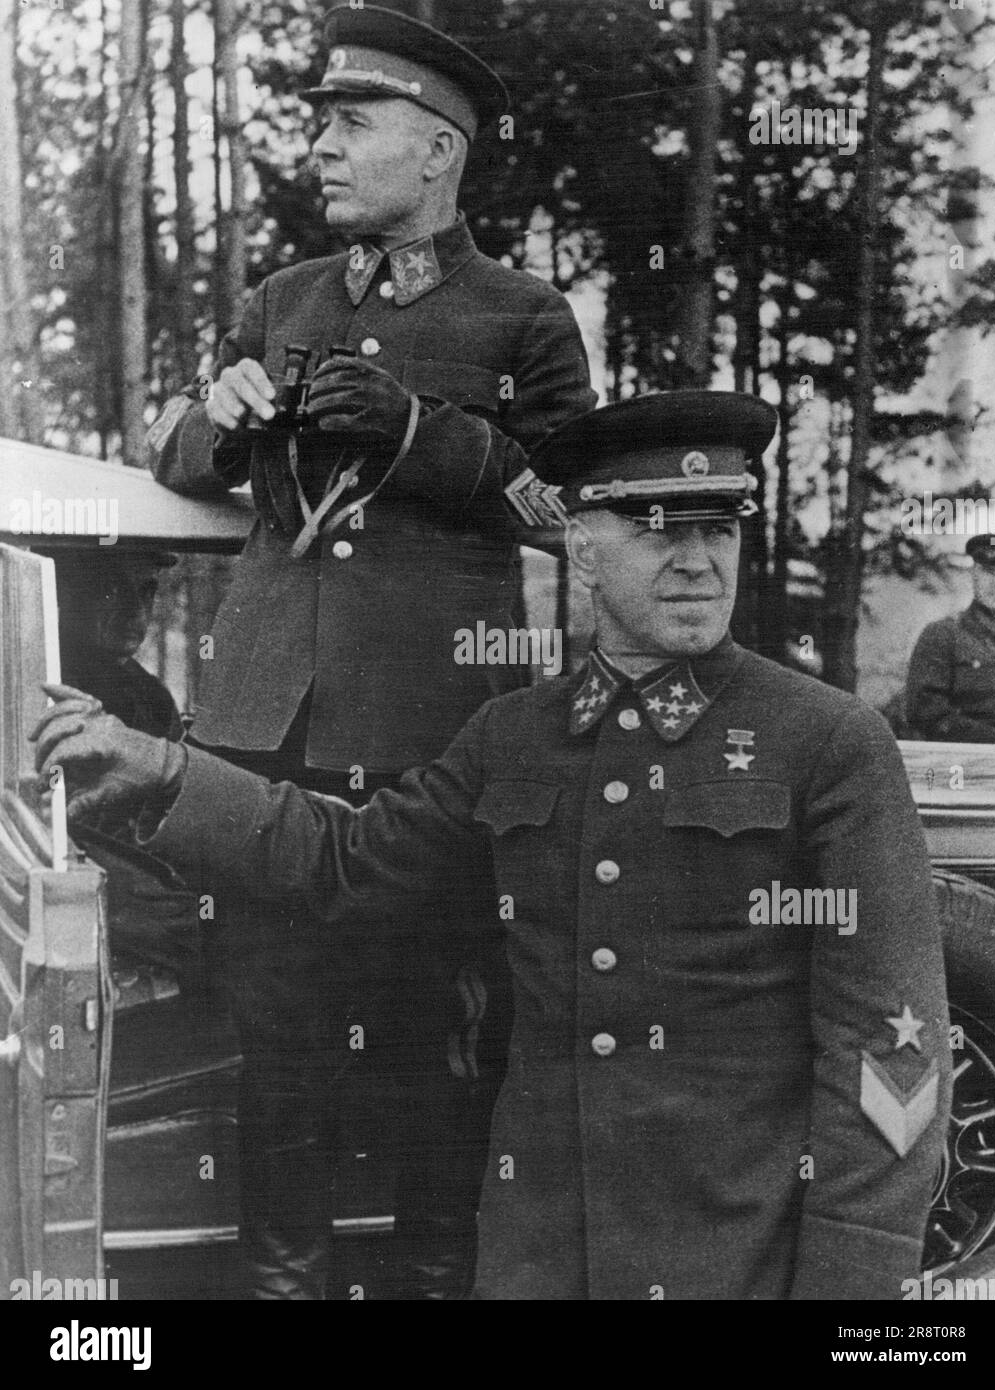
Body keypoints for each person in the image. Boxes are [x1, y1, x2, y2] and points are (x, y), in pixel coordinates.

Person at [36, 390, 952, 1300]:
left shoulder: (826, 742)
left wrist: (851, 1297)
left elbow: (891, 1053)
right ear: (582, 547)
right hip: (535, 1254)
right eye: (657, 528)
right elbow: (345, 862)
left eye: (721, 528)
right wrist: (158, 770)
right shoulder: (514, 735)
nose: (698, 561)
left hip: (737, 1255)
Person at [143, 4, 597, 1298]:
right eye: (319, 126)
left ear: (439, 150)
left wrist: (424, 436)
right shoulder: (278, 300)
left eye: (351, 126)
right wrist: (212, 422)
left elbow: (575, 514)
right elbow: (176, 451)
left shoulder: (521, 315)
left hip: (430, 755)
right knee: (274, 1067)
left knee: (437, 1074)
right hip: (267, 743)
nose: (322, 151)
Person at [34, 546, 199, 997]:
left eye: (146, 591)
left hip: (140, 871)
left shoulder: (149, 695)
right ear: (63, 594)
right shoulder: (37, 676)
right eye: (110, 590)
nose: (135, 611)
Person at [906, 532, 995, 743]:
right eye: (988, 572)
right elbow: (924, 713)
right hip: (967, 758)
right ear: (973, 574)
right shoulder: (943, 635)